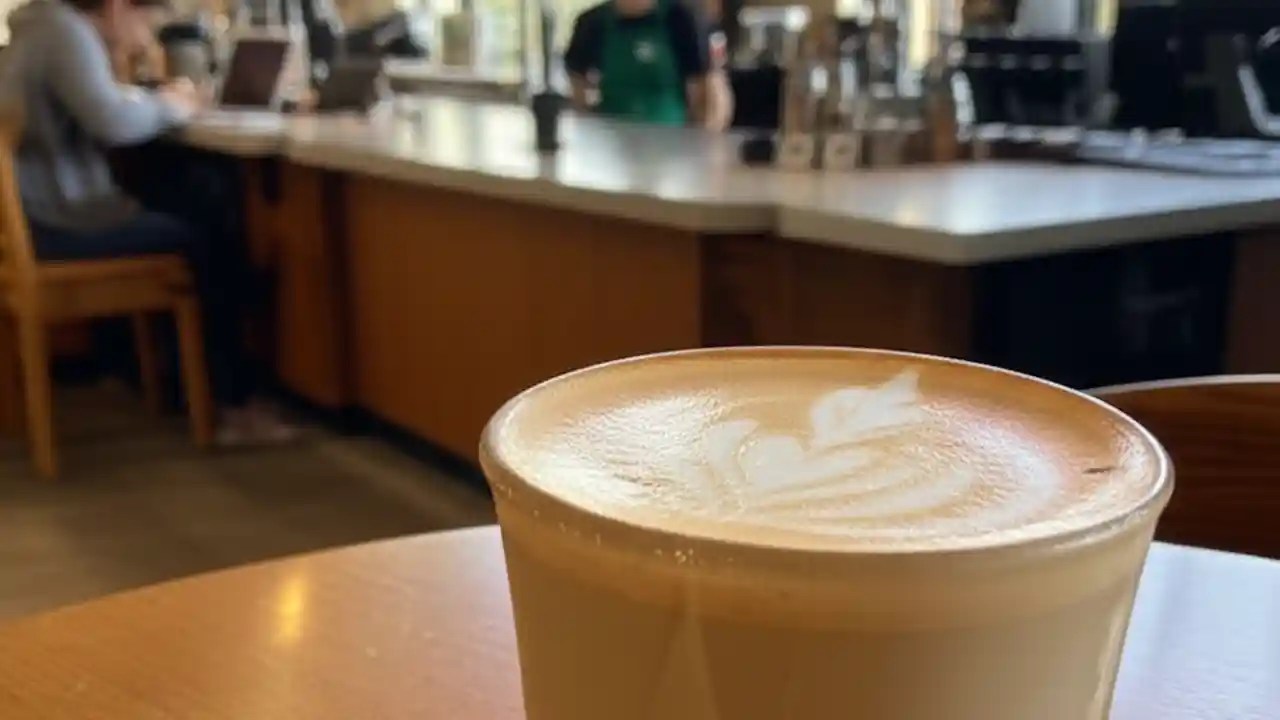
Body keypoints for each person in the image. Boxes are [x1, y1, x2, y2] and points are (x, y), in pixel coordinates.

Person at [0, 0, 292, 444]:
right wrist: (173, 103)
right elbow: (113, 121)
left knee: (190, 188)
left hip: (42, 217)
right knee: (206, 230)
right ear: (118, 7)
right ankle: (229, 402)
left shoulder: (34, 26)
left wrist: (148, 93)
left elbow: (102, 107)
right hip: (65, 222)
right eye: (148, 19)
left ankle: (162, 378)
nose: (150, 34)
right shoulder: (64, 33)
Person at [564, 0, 726, 127]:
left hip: (673, 141)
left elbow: (713, 98)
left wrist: (702, 145)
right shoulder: (592, 22)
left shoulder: (683, 18)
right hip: (611, 141)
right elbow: (577, 88)